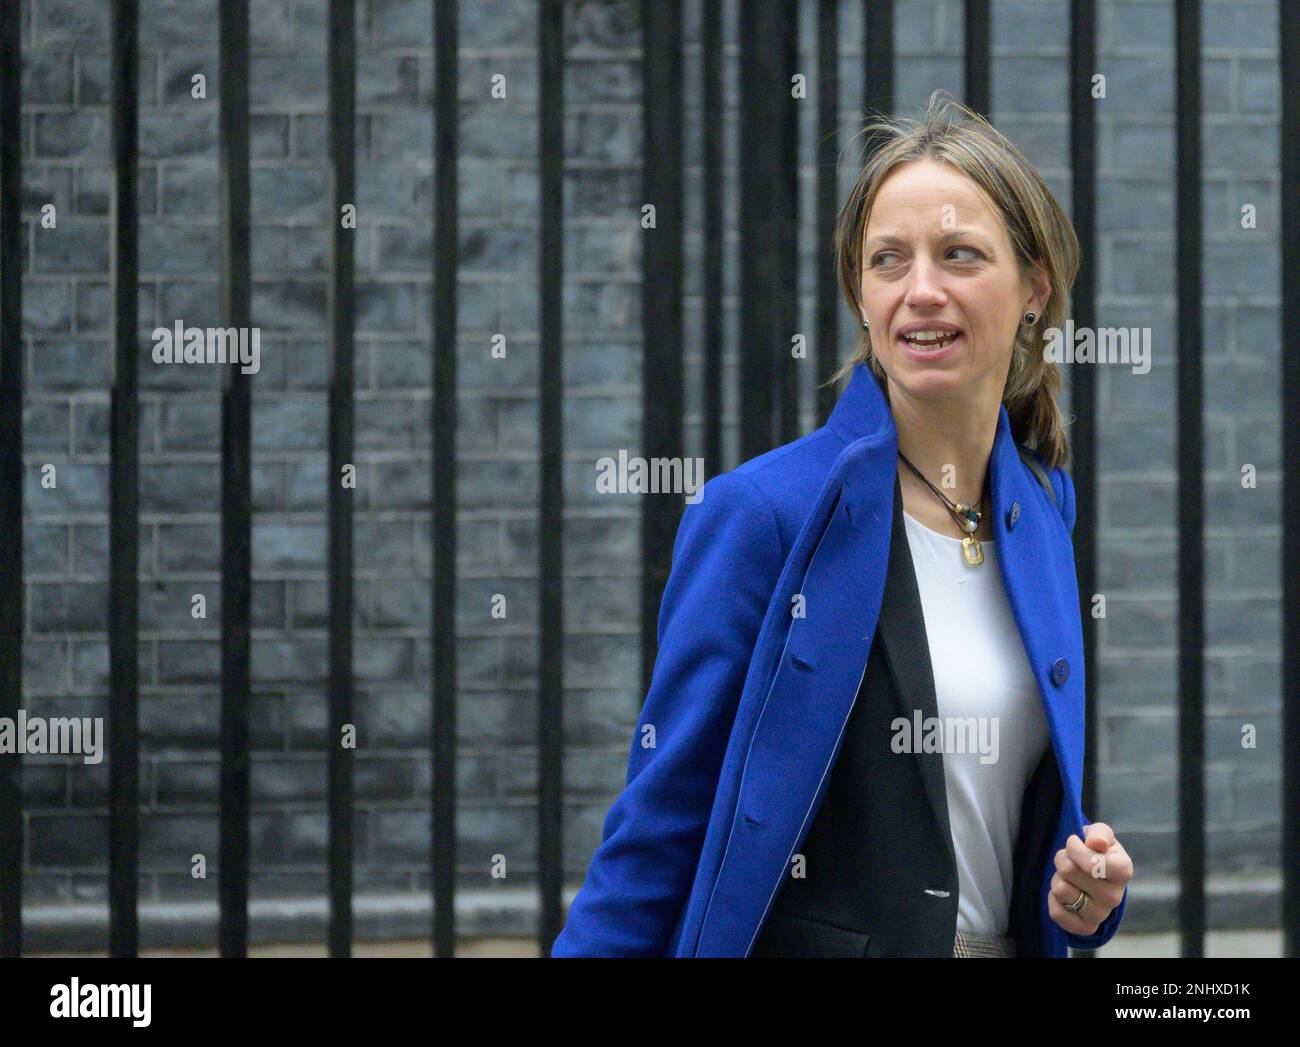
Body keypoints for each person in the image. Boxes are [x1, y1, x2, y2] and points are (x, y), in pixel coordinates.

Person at [552, 91, 1132, 958]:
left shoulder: (1043, 509)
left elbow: (1010, 835)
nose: (921, 290)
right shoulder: (765, 513)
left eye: (960, 255)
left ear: (1035, 289)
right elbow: (660, 824)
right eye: (888, 260)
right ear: (861, 297)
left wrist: (1085, 893)